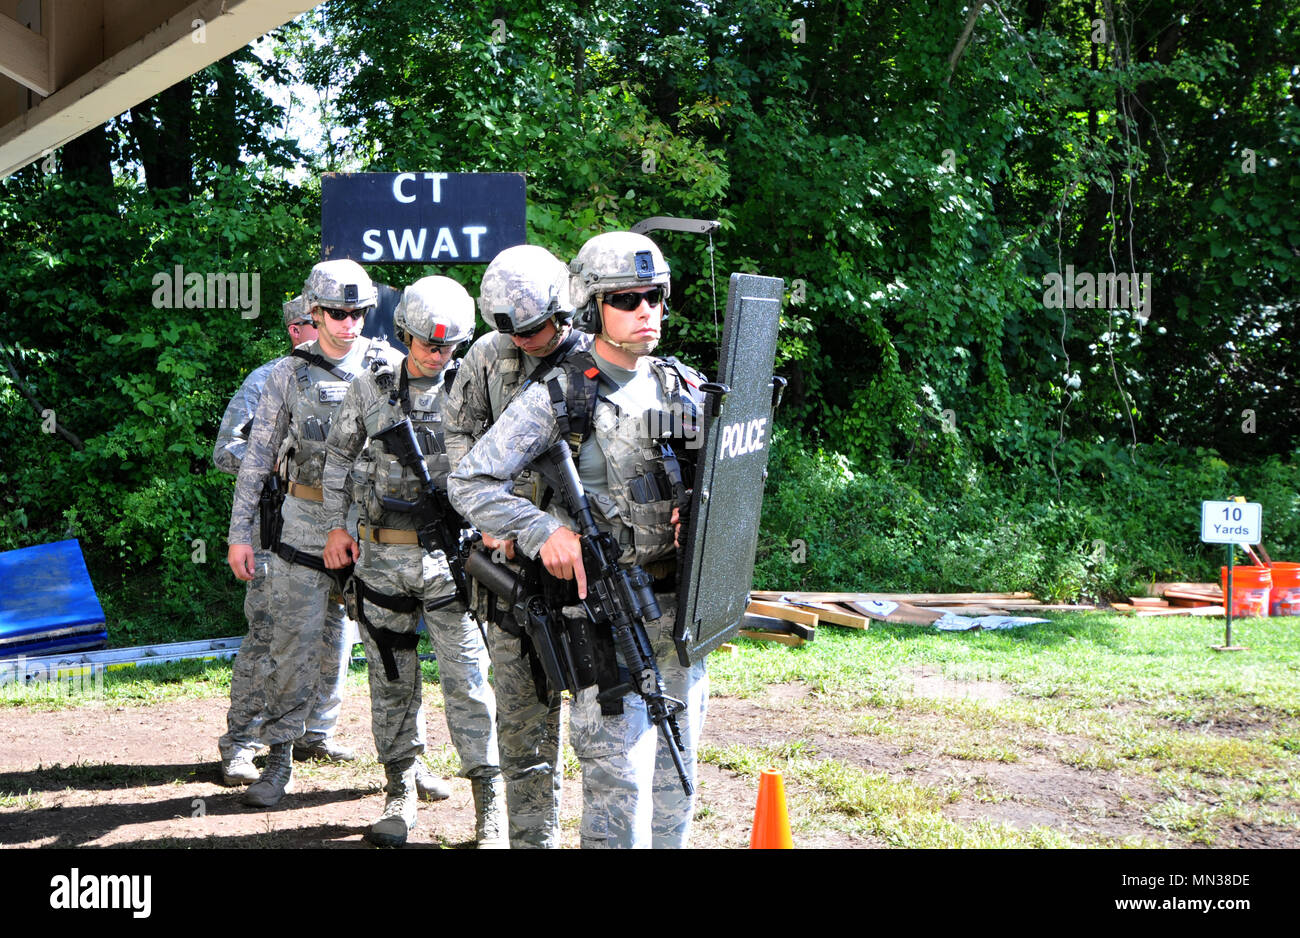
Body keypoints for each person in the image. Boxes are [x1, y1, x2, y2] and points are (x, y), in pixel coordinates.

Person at [449, 231, 708, 848]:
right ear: (593, 308)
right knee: (620, 797)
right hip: (603, 623)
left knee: (677, 782)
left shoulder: (680, 386)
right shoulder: (559, 394)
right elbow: (470, 478)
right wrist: (541, 532)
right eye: (627, 298)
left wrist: (698, 507)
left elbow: (720, 474)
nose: (646, 309)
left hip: (677, 617)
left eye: (654, 295)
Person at [321, 275, 503, 848]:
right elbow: (336, 458)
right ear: (402, 334)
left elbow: (507, 465)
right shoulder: (370, 389)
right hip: (381, 559)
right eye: (427, 344)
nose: (438, 355)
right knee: (391, 677)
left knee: (469, 681)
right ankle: (400, 791)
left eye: (449, 347)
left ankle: (489, 800)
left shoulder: (473, 390)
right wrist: (335, 528)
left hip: (455, 563)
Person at [227, 259, 400, 808]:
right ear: (314, 312)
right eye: (337, 313)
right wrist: (239, 535)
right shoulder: (286, 373)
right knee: (290, 645)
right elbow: (254, 461)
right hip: (301, 527)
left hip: (375, 528)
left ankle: (403, 768)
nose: (349, 323)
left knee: (387, 650)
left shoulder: (391, 366)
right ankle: (278, 759)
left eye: (358, 313)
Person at [442, 243, 593, 848]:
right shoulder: (485, 355)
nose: (529, 339)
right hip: (509, 567)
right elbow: (458, 433)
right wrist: (485, 519)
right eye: (515, 331)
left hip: (584, 567)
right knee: (523, 722)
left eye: (538, 327)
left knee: (605, 717)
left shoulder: (592, 358)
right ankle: (534, 840)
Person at [213, 296, 358, 786]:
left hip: (340, 524)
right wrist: (280, 460)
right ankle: (242, 742)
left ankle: (316, 729)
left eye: (352, 315)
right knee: (270, 635)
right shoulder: (270, 378)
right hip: (278, 526)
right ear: (298, 326)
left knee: (336, 630)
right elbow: (229, 450)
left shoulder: (362, 369)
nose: (341, 326)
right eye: (309, 322)